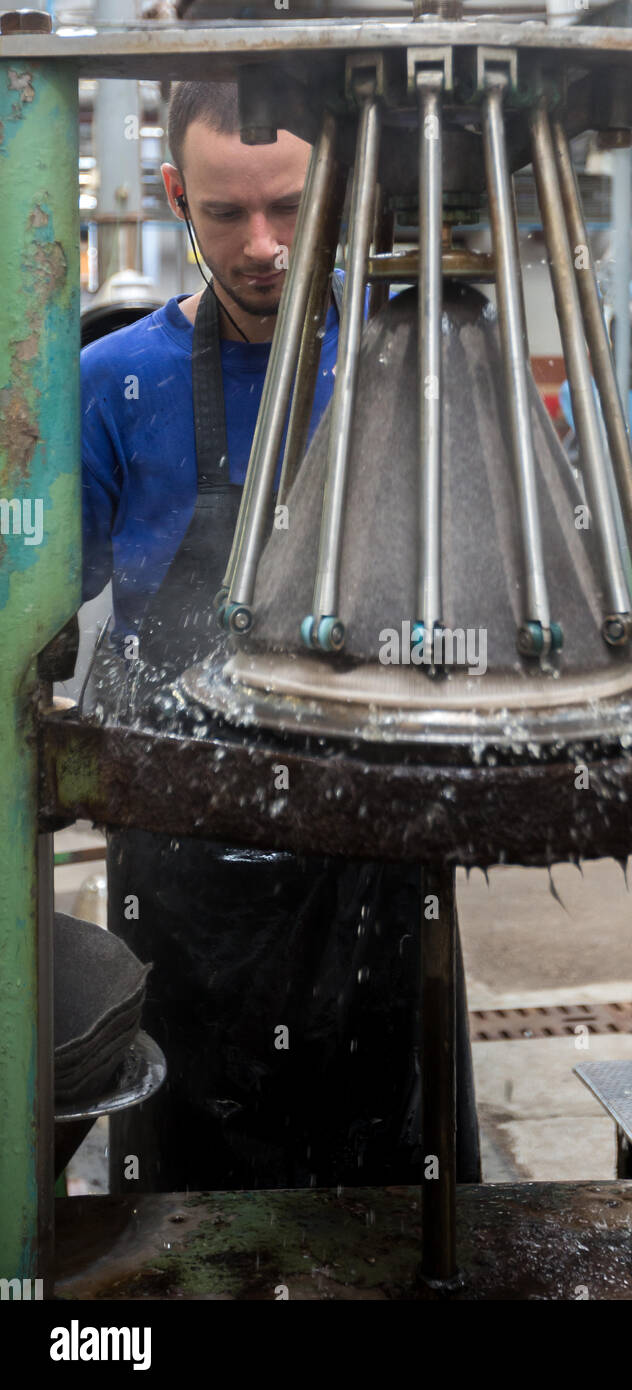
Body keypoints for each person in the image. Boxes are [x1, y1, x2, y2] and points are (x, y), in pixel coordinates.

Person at [80, 80, 480, 1192]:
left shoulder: (413, 365)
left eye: (290, 208)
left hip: (378, 838)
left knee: (391, 1157)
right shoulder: (114, 387)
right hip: (183, 854)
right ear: (174, 199)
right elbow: (37, 614)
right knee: (193, 1172)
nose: (260, 247)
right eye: (223, 214)